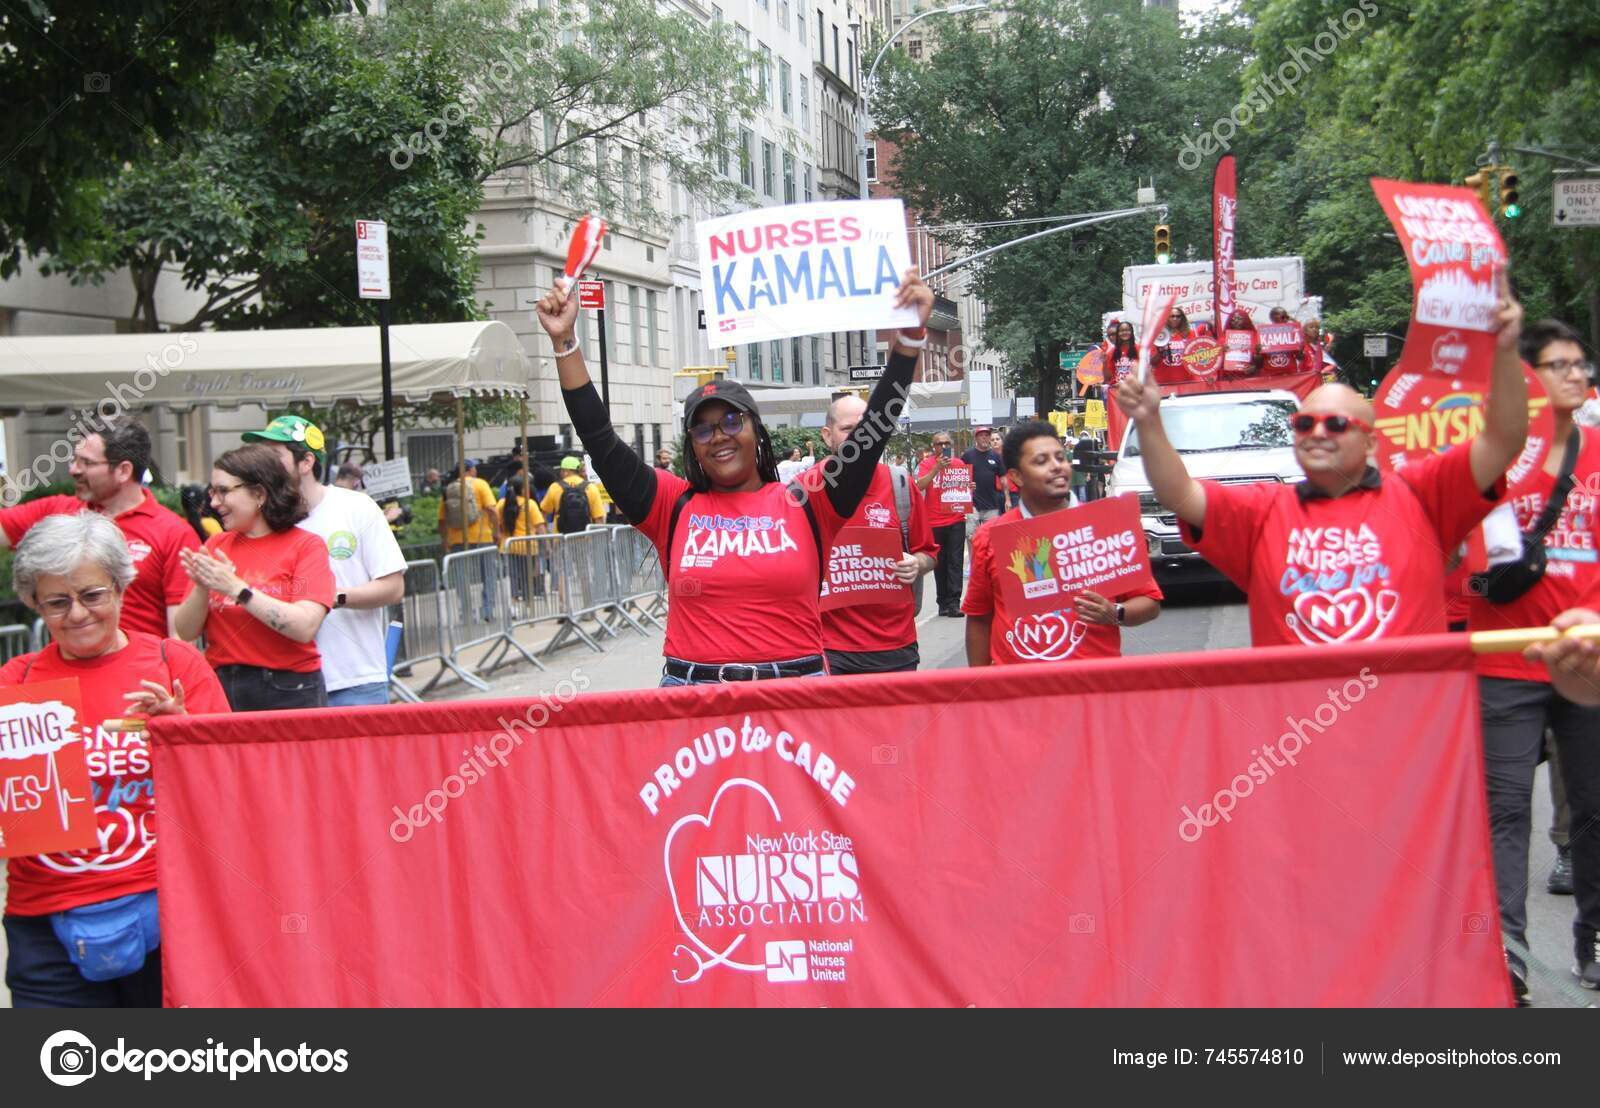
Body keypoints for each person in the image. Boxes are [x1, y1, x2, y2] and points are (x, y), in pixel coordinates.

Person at [533, 268, 933, 684]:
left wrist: (908, 342)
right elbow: (600, 440)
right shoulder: (671, 503)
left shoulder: (807, 498)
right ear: (692, 444)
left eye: (730, 421)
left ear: (755, 430)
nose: (718, 436)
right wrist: (565, 342)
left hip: (795, 692)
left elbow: (870, 438)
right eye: (703, 428)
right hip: (694, 696)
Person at [1114, 268, 1528, 650]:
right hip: (1298, 722)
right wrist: (1149, 420)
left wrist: (1506, 351)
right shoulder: (1264, 510)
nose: (1316, 433)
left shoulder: (1420, 494)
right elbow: (1179, 493)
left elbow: (1503, 440)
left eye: (1335, 424)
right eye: (1305, 423)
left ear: (1370, 444)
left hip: (1410, 719)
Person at [0, 513, 229, 1007]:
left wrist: (181, 733)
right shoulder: (13, 685)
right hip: (45, 919)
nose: (78, 614)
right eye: (57, 602)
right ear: (34, 603)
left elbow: (230, 786)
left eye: (92, 595)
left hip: (170, 905)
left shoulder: (175, 665)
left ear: (121, 588)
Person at [1466, 318, 1600, 997]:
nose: (1577, 375)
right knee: (1506, 811)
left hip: (1586, 664)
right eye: (1560, 365)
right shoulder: (1494, 455)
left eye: (1583, 365)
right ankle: (1507, 953)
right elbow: (1461, 566)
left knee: (1595, 807)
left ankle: (1594, 943)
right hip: (1504, 664)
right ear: (1530, 377)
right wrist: (1488, 584)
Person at [964, 421, 1161, 665]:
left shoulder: (1106, 526)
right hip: (1019, 696)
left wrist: (1115, 613)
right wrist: (980, 689)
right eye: (1041, 461)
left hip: (1095, 691)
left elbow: (1149, 601)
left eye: (1060, 457)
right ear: (1016, 476)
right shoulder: (991, 536)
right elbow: (979, 617)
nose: (1057, 466)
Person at [243, 415, 407, 708]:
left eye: (274, 455)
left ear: (306, 462)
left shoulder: (356, 508)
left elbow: (393, 587)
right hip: (281, 686)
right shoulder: (258, 518)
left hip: (354, 681)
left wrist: (325, 599)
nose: (262, 465)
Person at [173, 444, 336, 711]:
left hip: (288, 690)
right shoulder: (216, 545)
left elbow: (304, 626)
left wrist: (237, 589)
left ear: (259, 493)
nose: (213, 502)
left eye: (224, 491)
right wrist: (203, 587)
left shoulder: (307, 546)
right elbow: (187, 630)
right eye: (213, 491)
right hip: (223, 685)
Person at [0, 423, 199, 638]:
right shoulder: (58, 511)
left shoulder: (174, 533)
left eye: (87, 462)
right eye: (75, 460)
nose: (74, 469)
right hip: (68, 668)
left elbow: (181, 636)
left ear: (124, 471)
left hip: (138, 667)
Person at [818, 393, 937, 673]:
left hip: (895, 646)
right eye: (848, 430)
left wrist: (917, 563)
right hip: (829, 649)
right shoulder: (805, 491)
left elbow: (929, 553)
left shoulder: (900, 485)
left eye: (867, 429)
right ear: (827, 435)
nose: (859, 438)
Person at [440, 458, 502, 623]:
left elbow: (442, 518)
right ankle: (487, 611)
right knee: (488, 575)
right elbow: (492, 510)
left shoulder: (450, 488)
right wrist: (497, 531)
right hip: (483, 537)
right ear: (470, 469)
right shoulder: (480, 484)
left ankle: (467, 613)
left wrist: (444, 539)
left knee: (462, 578)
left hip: (457, 539)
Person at [916, 430, 969, 618]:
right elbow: (918, 486)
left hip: (955, 519)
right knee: (940, 562)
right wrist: (936, 469)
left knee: (955, 562)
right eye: (940, 444)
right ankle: (942, 602)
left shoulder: (959, 464)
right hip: (934, 521)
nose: (944, 447)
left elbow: (964, 490)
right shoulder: (926, 463)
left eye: (947, 443)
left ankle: (954, 602)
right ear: (934, 446)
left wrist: (969, 487)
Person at [498, 482, 548, 605]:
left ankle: (513, 602)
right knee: (528, 576)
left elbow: (497, 524)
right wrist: (547, 544)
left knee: (513, 576)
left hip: (508, 546)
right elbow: (540, 527)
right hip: (528, 546)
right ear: (521, 490)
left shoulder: (501, 504)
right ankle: (528, 602)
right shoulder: (530, 504)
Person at [961, 426, 1007, 557]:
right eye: (981, 435)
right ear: (976, 438)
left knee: (992, 537)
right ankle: (973, 565)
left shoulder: (996, 456)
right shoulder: (967, 456)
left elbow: (1003, 479)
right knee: (971, 537)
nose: (984, 437)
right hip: (972, 504)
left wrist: (1007, 499)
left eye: (987, 435)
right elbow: (959, 476)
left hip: (992, 503)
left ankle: (991, 564)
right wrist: (966, 484)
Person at [540, 455, 606, 534]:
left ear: (565, 471)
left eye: (561, 470)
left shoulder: (555, 487)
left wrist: (547, 534)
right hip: (585, 539)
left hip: (560, 539)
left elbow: (543, 513)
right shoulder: (591, 487)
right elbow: (599, 518)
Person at [1151, 307, 1196, 385]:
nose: (1175, 318)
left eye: (1178, 316)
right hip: (1163, 381)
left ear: (1182, 318)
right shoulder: (1159, 335)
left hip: (1187, 380)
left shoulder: (1190, 334)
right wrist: (1160, 351)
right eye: (1172, 316)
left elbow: (1197, 357)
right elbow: (1152, 362)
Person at [1219, 308, 1262, 378]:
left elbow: (1263, 362)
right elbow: (1216, 362)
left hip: (1251, 379)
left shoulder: (1257, 337)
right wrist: (1221, 352)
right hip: (1228, 379)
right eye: (1233, 320)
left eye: (1239, 319)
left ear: (1246, 321)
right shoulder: (1222, 340)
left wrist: (1255, 367)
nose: (1236, 321)